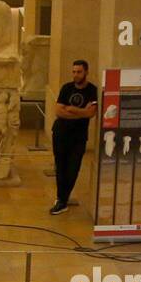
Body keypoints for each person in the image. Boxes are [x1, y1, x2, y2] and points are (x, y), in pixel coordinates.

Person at [49, 59, 98, 215]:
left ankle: (62, 198)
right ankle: (61, 199)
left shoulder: (92, 90)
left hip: (79, 136)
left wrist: (71, 109)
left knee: (73, 168)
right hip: (60, 133)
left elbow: (91, 113)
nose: (76, 75)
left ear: (86, 72)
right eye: (74, 72)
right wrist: (81, 112)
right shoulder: (66, 88)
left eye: (79, 72)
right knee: (61, 167)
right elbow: (58, 111)